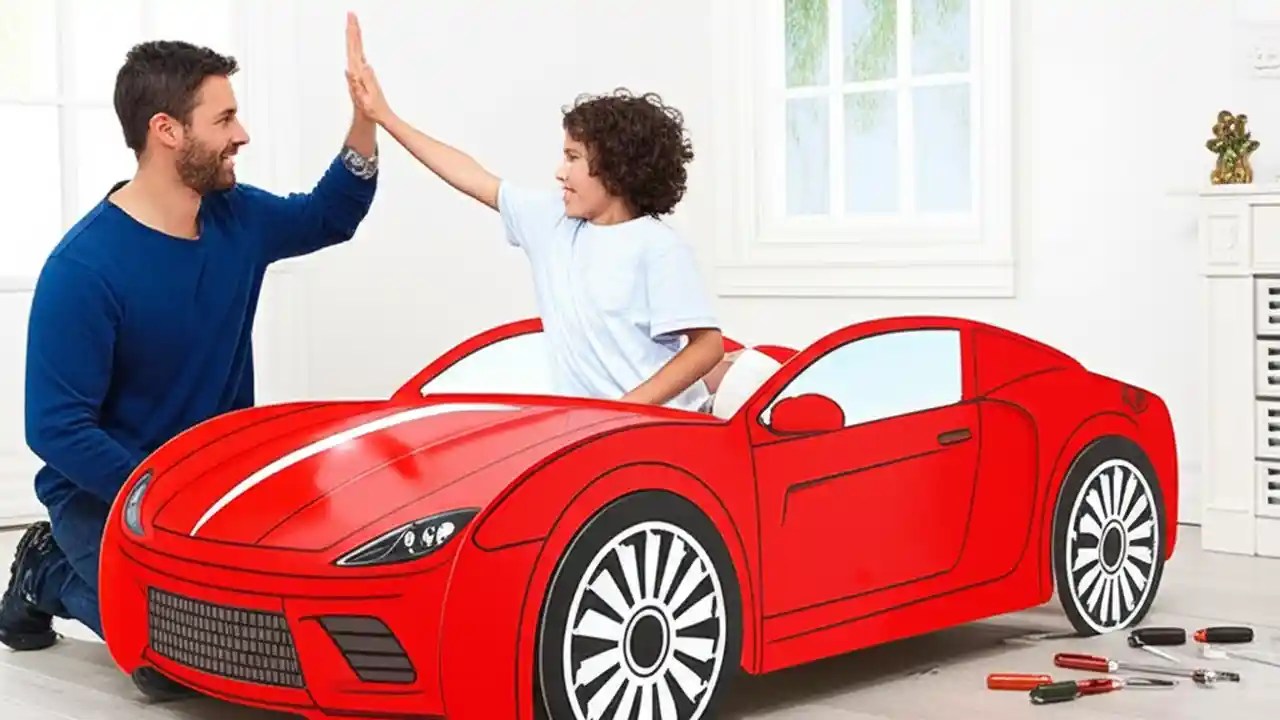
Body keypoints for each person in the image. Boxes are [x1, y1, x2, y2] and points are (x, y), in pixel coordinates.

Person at [0, 21, 379, 702]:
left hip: (212, 485)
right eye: (225, 117)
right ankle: (48, 569)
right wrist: (159, 490)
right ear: (166, 130)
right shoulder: (84, 268)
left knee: (247, 643)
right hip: (113, 494)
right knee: (169, 665)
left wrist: (364, 119)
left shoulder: (237, 217)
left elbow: (330, 216)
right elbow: (55, 429)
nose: (243, 134)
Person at [342, 13, 724, 412]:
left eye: (573, 158)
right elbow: (471, 176)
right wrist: (384, 116)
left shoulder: (657, 246)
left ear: (615, 168)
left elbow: (707, 345)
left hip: (663, 426)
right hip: (594, 429)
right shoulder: (552, 222)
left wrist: (626, 409)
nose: (560, 172)